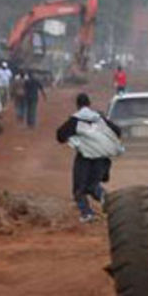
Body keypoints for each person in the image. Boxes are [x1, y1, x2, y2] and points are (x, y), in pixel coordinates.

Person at [56, 93, 123, 223]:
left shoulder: (75, 120)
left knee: (79, 189)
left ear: (77, 105)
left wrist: (76, 137)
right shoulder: (99, 118)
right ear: (89, 103)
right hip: (101, 157)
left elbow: (60, 136)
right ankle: (107, 199)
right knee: (92, 185)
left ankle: (87, 213)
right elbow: (117, 131)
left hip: (85, 158)